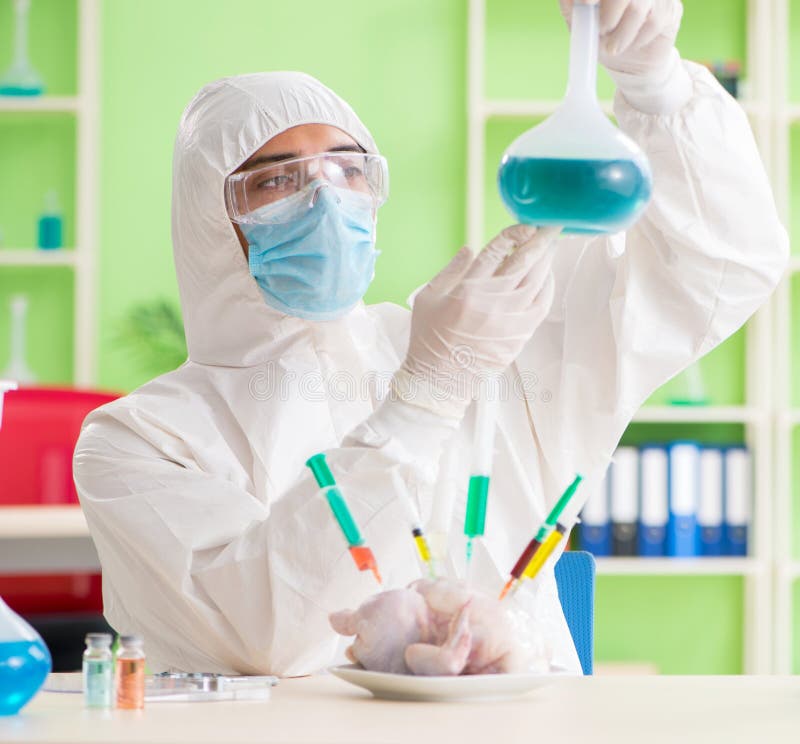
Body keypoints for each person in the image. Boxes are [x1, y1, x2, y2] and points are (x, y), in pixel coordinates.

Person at [74, 0, 788, 676]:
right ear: (208, 222)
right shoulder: (137, 441)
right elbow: (263, 632)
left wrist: (654, 82)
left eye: (348, 169)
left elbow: (719, 268)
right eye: (275, 182)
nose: (326, 198)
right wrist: (424, 397)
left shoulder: (483, 337)